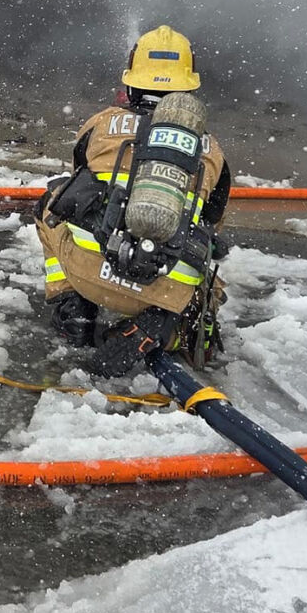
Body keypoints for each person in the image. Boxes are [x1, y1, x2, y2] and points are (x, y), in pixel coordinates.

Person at [36, 25, 231, 373]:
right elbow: (210, 226)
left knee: (50, 201)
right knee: (209, 288)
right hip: (166, 287)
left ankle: (72, 306)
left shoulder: (100, 124)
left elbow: (76, 190)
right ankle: (168, 331)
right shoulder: (213, 150)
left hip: (90, 269)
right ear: (189, 88)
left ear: (131, 83)